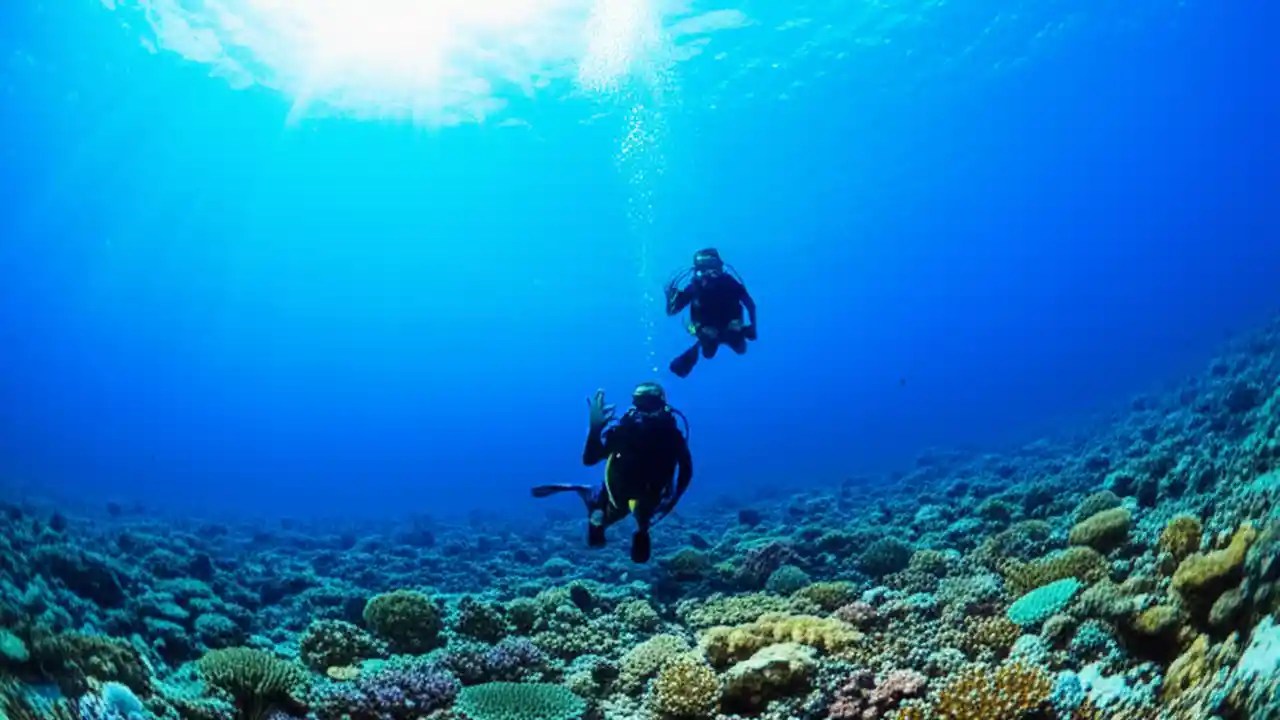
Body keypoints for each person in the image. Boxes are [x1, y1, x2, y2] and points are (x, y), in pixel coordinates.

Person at [532, 382, 693, 563]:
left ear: (662, 404)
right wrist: (595, 429)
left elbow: (686, 470)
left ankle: (635, 525)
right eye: (640, 403)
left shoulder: (672, 435)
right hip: (619, 489)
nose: (645, 410)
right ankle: (595, 504)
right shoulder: (626, 430)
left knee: (643, 526)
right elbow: (590, 459)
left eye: (650, 403)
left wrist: (673, 499)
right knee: (605, 522)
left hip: (652, 492)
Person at [665, 248, 757, 378]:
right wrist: (671, 298)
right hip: (707, 329)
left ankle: (710, 338)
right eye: (703, 269)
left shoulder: (730, 283)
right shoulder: (695, 288)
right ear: (697, 270)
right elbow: (672, 311)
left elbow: (750, 305)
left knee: (737, 345)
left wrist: (752, 327)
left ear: (720, 268)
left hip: (731, 326)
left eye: (713, 268)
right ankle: (702, 341)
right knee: (709, 351)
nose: (709, 273)